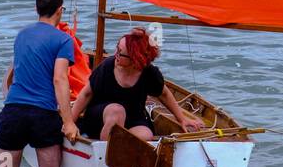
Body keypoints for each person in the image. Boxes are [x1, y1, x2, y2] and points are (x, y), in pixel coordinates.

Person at [0, 0, 79, 167]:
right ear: (60, 10)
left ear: (36, 8)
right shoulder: (63, 40)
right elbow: (59, 79)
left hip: (12, 115)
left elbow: (17, 70)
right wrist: (68, 123)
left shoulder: (21, 36)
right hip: (43, 117)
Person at [72, 27, 204, 141]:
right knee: (117, 111)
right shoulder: (107, 67)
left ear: (135, 59)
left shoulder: (149, 73)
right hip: (101, 117)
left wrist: (182, 119)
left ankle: (117, 144)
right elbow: (86, 94)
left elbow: (164, 94)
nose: (115, 55)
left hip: (133, 118)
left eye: (120, 53)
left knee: (146, 135)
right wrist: (69, 122)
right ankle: (105, 149)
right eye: (117, 49)